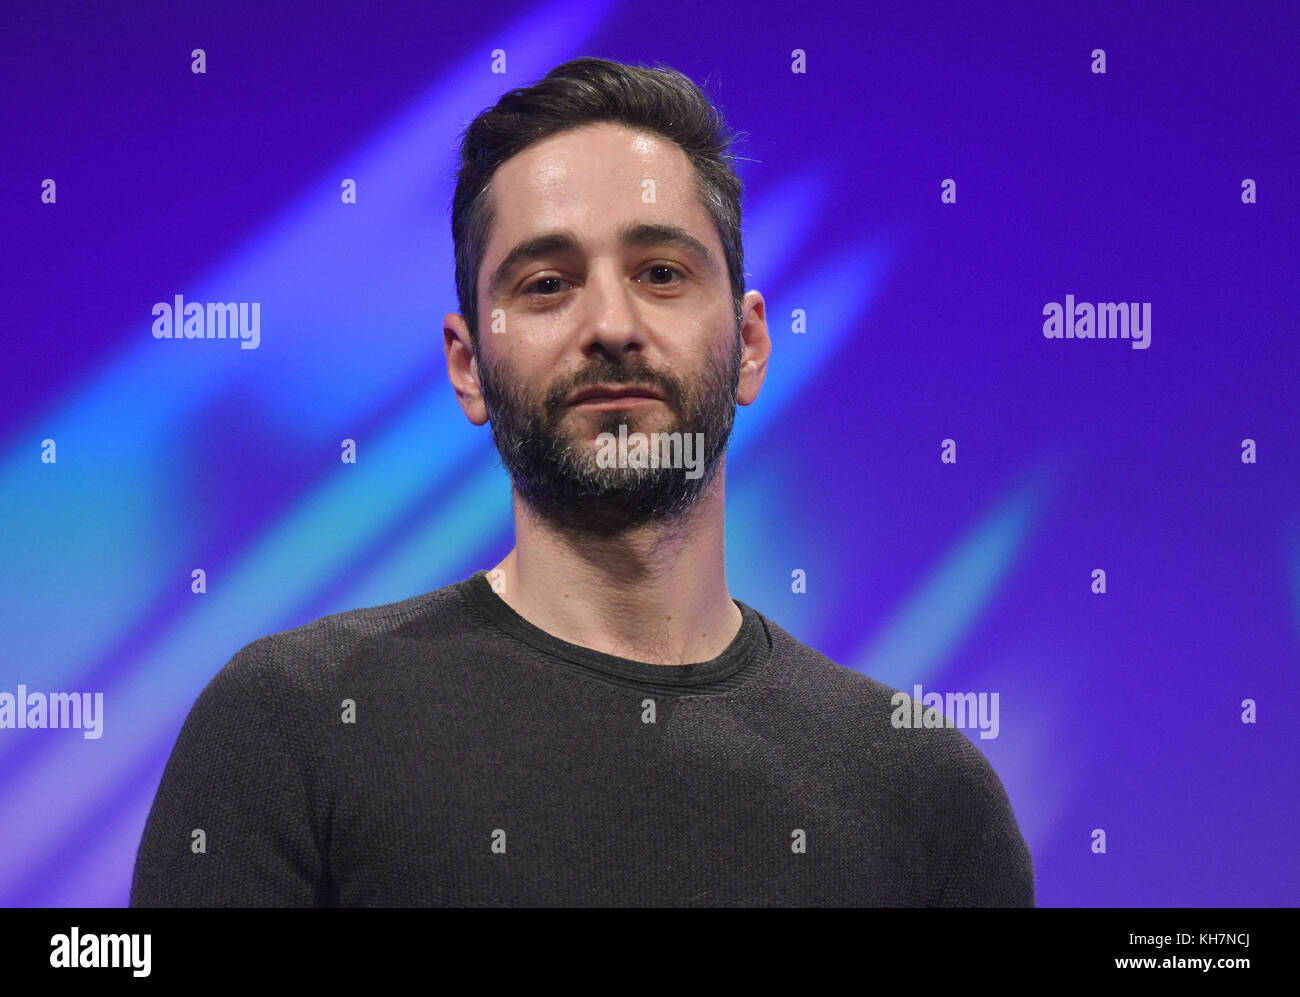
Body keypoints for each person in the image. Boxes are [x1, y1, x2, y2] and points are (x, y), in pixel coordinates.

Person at [130, 56, 1034, 907]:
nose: (611, 323)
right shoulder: (291, 727)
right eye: (548, 283)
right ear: (468, 366)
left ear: (751, 344)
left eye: (662, 272)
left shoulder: (926, 793)